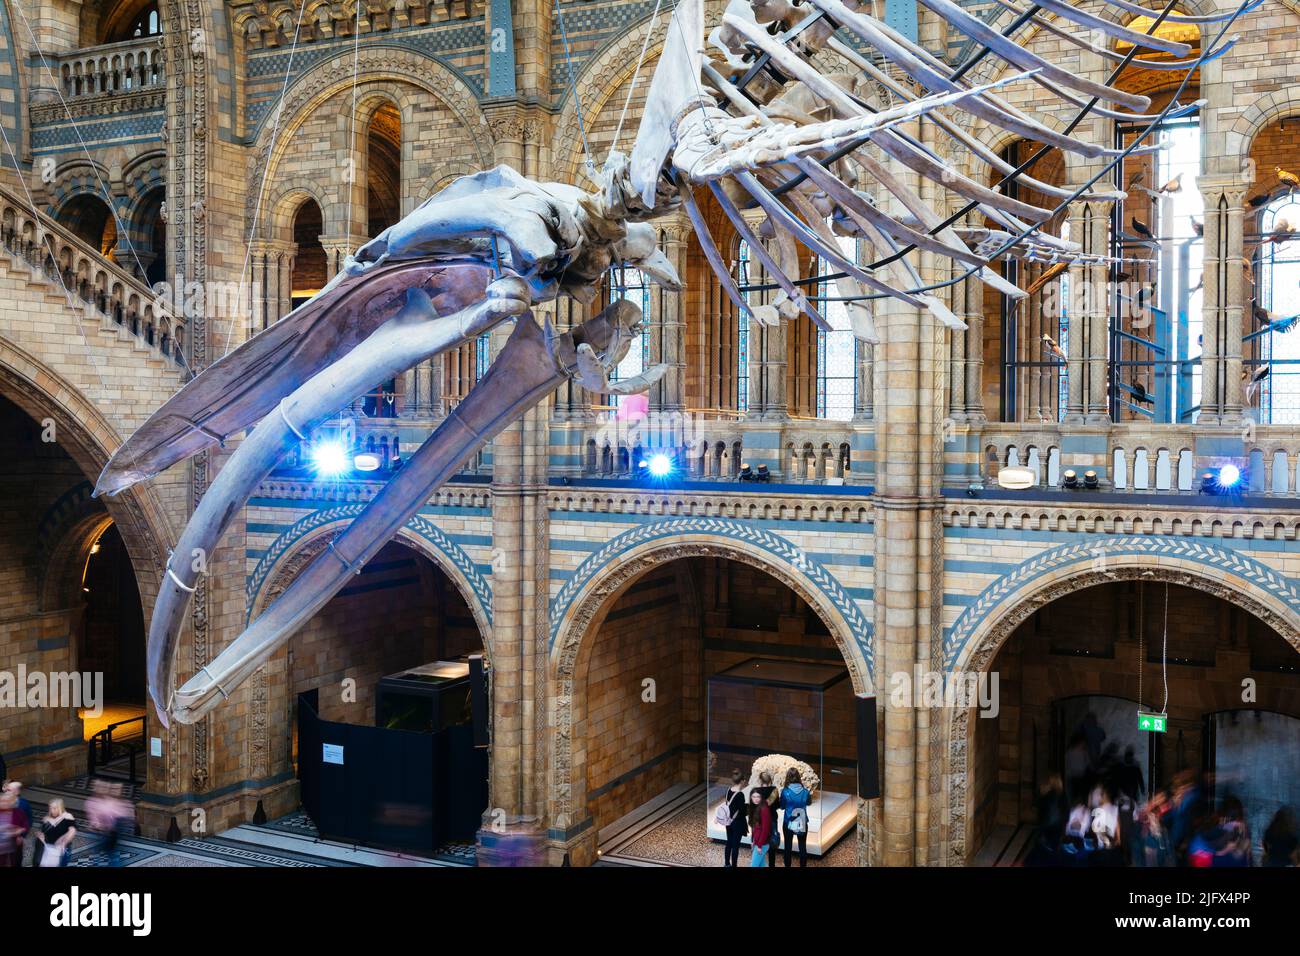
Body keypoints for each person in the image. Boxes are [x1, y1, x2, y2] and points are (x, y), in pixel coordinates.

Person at [779, 767, 812, 867]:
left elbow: (782, 806)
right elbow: (809, 802)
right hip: (802, 821)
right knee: (802, 847)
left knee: (787, 847)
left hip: (788, 822)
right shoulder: (806, 792)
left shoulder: (785, 792)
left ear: (787, 778)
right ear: (798, 777)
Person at [35, 798, 76, 868]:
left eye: (54, 808)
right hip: (48, 849)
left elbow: (72, 830)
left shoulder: (67, 816)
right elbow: (43, 833)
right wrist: (40, 836)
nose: (52, 810)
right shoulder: (46, 819)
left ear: (60, 808)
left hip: (61, 849)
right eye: (50, 808)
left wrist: (63, 842)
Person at [719, 770, 748, 868]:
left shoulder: (729, 790)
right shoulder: (740, 795)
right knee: (735, 846)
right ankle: (734, 865)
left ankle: (727, 863)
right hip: (737, 822)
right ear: (742, 781)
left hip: (728, 821)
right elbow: (742, 811)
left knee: (729, 843)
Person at [752, 770, 780, 867]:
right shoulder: (775, 790)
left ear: (760, 780)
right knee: (771, 842)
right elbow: (778, 805)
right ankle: (771, 865)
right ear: (770, 780)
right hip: (772, 818)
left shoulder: (757, 791)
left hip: (759, 820)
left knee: (761, 841)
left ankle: (760, 862)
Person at [5, 781, 31, 866]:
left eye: (9, 790)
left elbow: (28, 821)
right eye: (7, 789)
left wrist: (22, 835)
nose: (6, 791)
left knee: (16, 860)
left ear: (17, 792)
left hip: (16, 839)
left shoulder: (23, 804)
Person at [747, 789, 774, 867]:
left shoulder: (764, 809)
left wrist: (759, 845)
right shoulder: (756, 808)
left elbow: (765, 829)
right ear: (751, 798)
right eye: (754, 796)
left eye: (758, 796)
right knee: (762, 865)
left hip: (762, 843)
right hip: (758, 841)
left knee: (754, 865)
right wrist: (753, 841)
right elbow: (755, 828)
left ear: (761, 797)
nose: (756, 799)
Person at [0, 789, 26, 868]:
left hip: (12, 848)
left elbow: (25, 825)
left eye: (7, 801)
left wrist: (20, 834)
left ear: (12, 803)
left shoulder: (18, 813)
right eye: (2, 801)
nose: (4, 803)